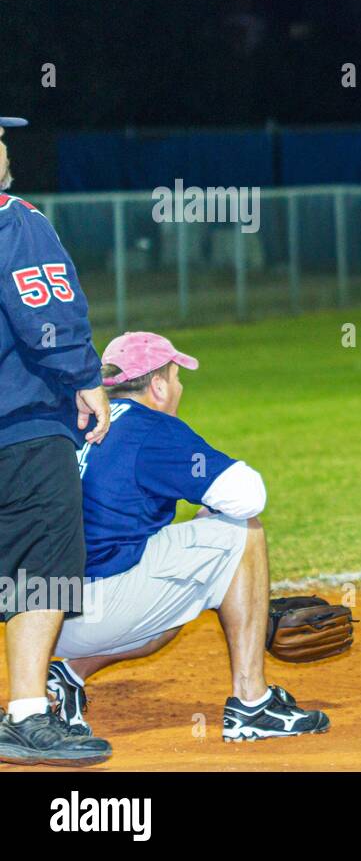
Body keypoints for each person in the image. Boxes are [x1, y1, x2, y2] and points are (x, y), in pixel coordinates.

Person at [45, 331, 330, 743]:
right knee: (241, 530)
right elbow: (250, 494)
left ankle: (68, 672)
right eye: (176, 377)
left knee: (185, 590)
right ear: (158, 385)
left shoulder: (77, 420)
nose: (179, 388)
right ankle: (252, 704)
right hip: (96, 608)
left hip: (41, 614)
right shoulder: (151, 428)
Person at [0, 115, 114, 767]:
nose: (5, 149)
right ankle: (26, 712)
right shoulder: (16, 219)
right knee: (40, 566)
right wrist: (84, 377)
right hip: (22, 426)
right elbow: (47, 312)